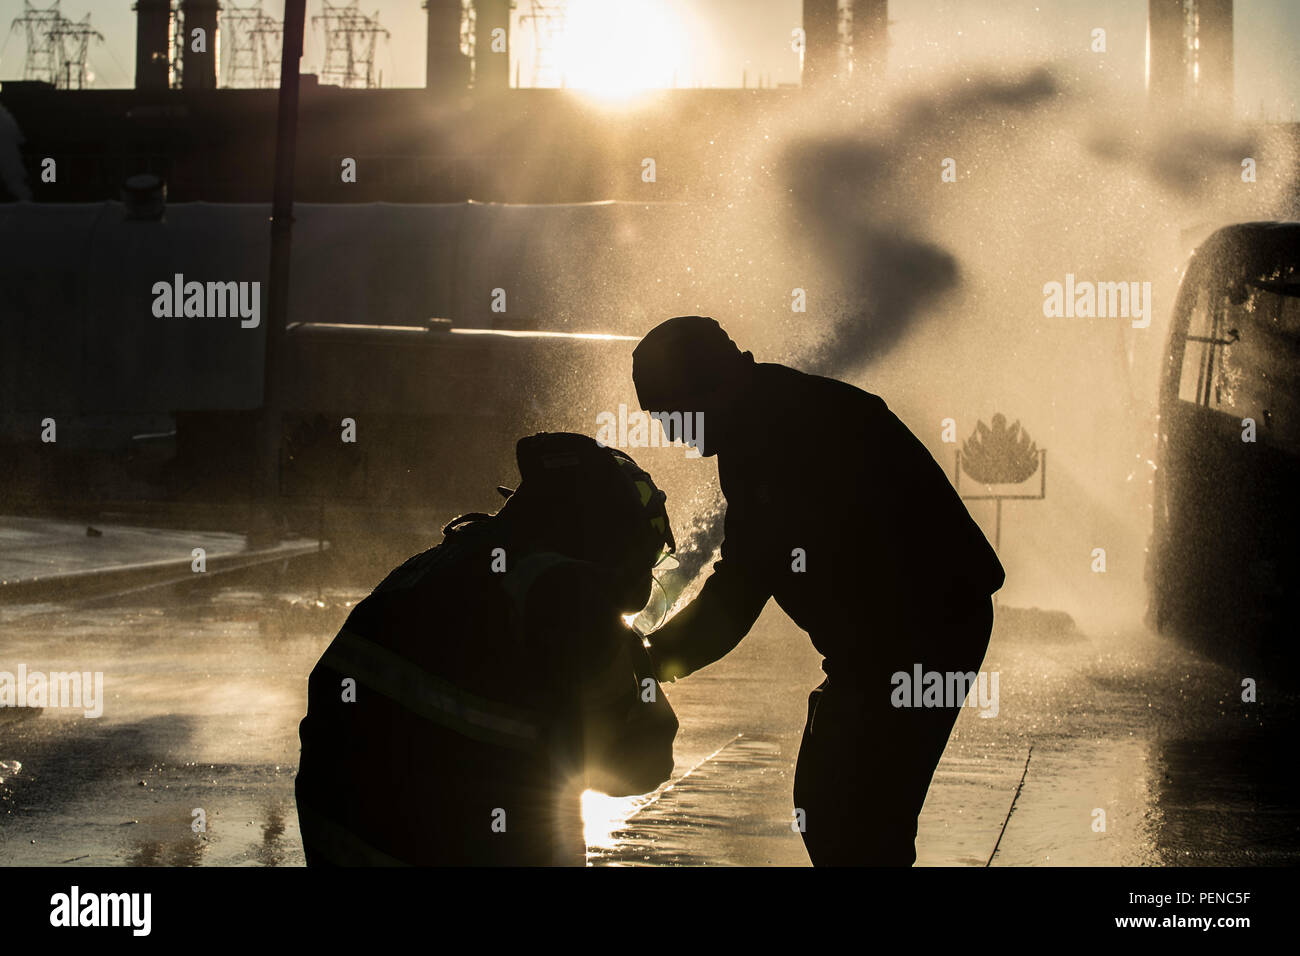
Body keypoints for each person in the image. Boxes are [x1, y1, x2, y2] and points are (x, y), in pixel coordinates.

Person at [632, 316, 1005, 866]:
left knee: (850, 808)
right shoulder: (761, 419)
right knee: (845, 807)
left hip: (925, 634)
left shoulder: (780, 435)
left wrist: (644, 661)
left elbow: (736, 597)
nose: (671, 433)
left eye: (671, 415)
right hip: (894, 637)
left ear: (708, 385)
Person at [295, 432, 679, 866]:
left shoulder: (433, 563)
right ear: (597, 534)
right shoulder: (566, 594)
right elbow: (645, 762)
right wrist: (638, 658)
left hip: (340, 836)